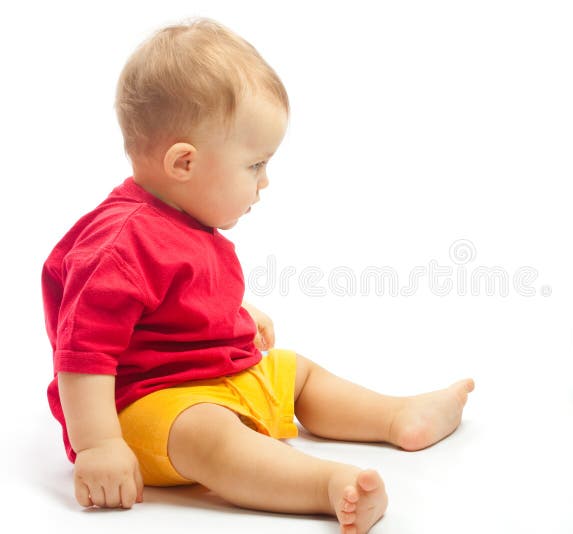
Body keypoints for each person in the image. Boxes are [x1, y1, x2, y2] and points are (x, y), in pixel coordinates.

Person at [41, 17, 474, 534]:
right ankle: (324, 485)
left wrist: (238, 312)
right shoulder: (118, 243)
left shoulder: (183, 218)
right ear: (184, 163)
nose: (264, 182)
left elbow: (172, 302)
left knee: (296, 372)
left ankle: (395, 416)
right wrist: (100, 445)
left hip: (217, 375)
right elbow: (82, 354)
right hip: (148, 405)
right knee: (212, 437)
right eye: (254, 166)